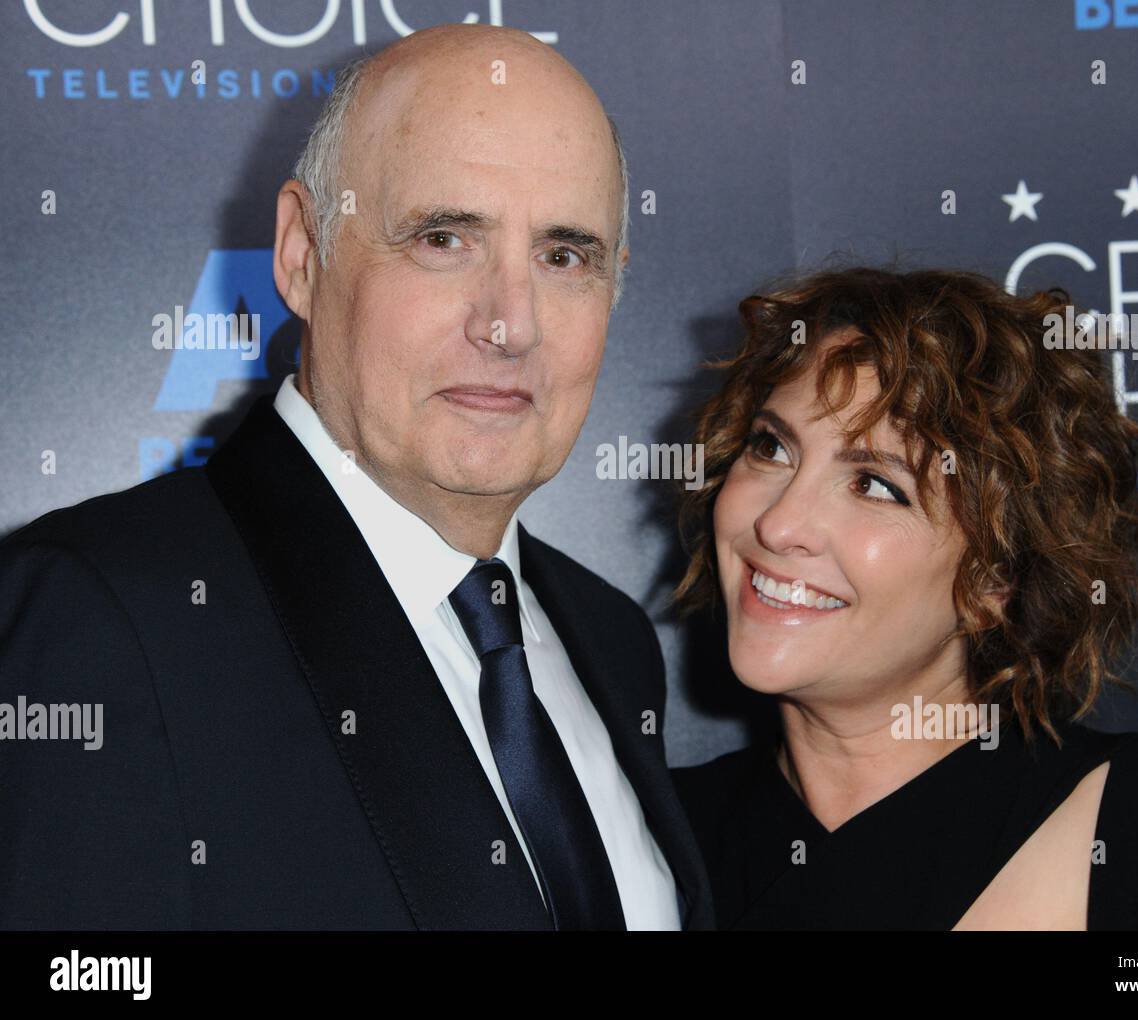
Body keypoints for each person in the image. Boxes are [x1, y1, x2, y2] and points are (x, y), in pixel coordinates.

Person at [0, 24, 711, 931]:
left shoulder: (611, 641)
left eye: (564, 257)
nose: (511, 324)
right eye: (445, 238)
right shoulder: (104, 616)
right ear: (301, 253)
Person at [670, 265, 1138, 930]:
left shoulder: (1136, 825)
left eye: (876, 485)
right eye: (771, 447)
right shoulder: (652, 838)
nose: (777, 524)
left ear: (996, 584)